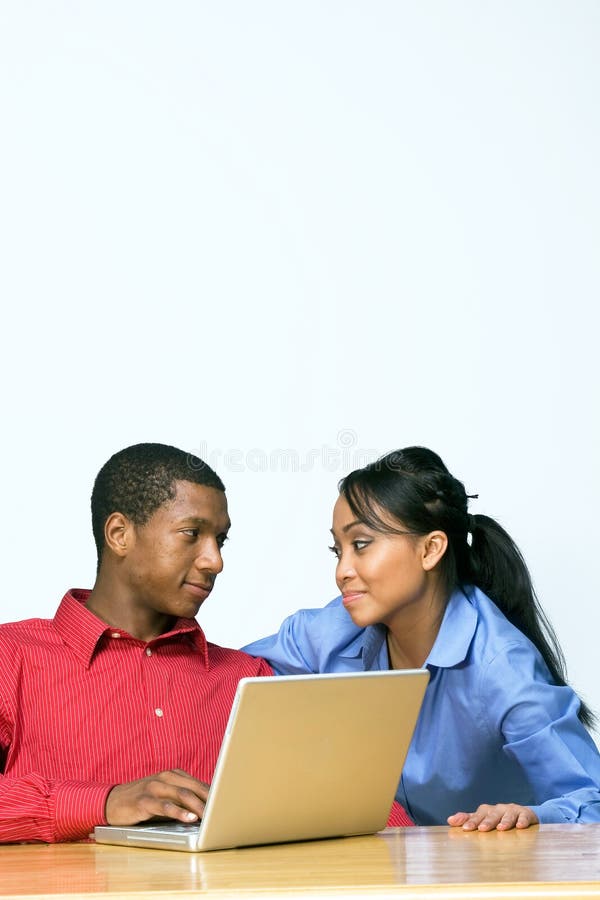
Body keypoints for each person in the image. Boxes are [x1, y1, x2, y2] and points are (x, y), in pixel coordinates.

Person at [243, 446, 600, 831]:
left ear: (430, 549)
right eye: (337, 550)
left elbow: (592, 802)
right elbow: (227, 681)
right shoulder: (334, 628)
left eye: (361, 545)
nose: (342, 570)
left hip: (487, 873)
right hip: (379, 869)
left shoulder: (501, 664)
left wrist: (530, 816)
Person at [0, 443, 274, 843]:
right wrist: (105, 803)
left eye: (220, 540)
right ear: (119, 534)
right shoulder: (11, 657)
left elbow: (332, 797)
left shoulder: (247, 677)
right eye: (192, 534)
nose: (215, 561)